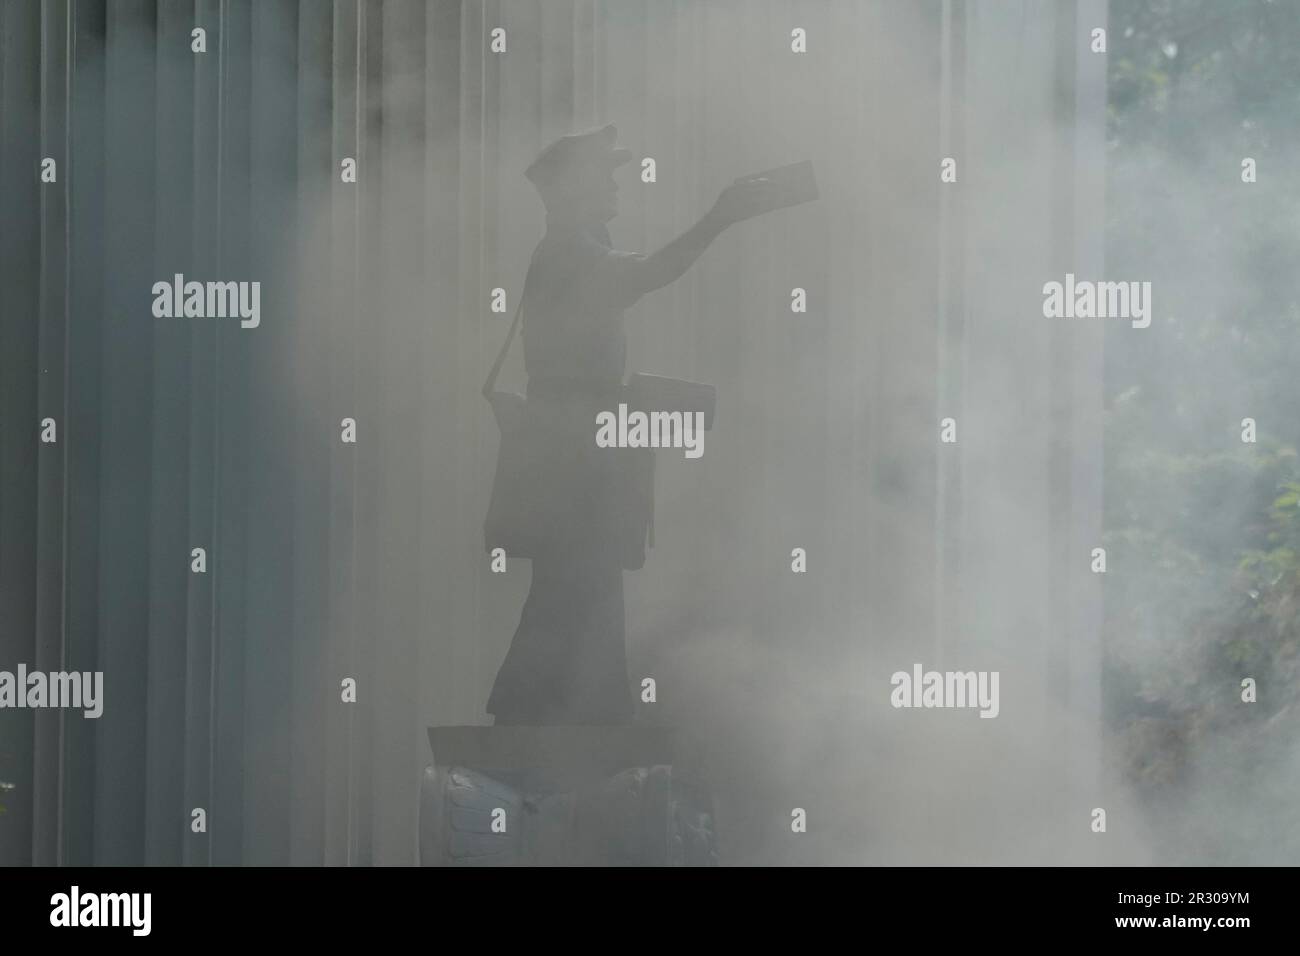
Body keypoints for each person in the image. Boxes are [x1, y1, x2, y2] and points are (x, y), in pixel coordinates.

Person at [486, 124, 777, 726]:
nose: (614, 186)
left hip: (575, 447)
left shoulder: (571, 249)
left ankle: (560, 712)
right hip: (572, 454)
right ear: (569, 192)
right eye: (602, 176)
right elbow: (649, 273)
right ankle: (548, 714)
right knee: (578, 582)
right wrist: (718, 218)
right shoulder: (571, 252)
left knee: (580, 586)